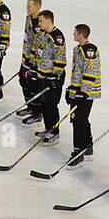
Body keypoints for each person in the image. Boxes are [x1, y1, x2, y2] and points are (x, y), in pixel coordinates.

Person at [66, 23, 101, 167]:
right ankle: (87, 146)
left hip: (86, 93)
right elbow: (76, 72)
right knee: (81, 119)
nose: (73, 34)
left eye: (75, 32)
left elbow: (90, 72)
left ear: (81, 34)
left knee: (78, 120)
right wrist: (71, 90)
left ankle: (79, 151)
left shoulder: (90, 50)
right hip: (78, 92)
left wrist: (83, 93)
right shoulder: (77, 49)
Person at [33, 9, 67, 143]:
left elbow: (60, 59)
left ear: (48, 20)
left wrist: (55, 76)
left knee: (51, 105)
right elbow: (39, 52)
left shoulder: (57, 37)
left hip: (52, 77)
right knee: (44, 103)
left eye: (41, 20)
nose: (39, 23)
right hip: (42, 75)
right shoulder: (41, 33)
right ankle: (48, 128)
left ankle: (54, 132)